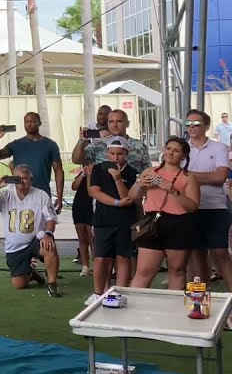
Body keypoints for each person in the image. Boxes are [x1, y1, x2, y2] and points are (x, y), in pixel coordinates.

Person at [128, 136, 201, 290]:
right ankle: (135, 308)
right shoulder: (149, 171)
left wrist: (174, 191)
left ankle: (173, 309)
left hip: (178, 224)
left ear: (183, 156)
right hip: (152, 222)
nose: (171, 153)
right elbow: (132, 197)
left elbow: (193, 206)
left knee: (177, 270)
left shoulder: (188, 177)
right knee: (144, 271)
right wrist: (140, 184)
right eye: (168, 149)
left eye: (176, 150)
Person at [0, 164, 63, 297]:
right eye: (18, 178)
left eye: (25, 178)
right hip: (15, 246)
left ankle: (52, 284)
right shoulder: (6, 192)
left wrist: (48, 234)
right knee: (19, 284)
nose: (22, 181)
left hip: (35, 239)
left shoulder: (41, 195)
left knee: (49, 246)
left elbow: (51, 218)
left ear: (31, 180)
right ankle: (31, 272)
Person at [179, 110, 232, 284]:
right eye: (188, 124)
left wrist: (187, 176)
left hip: (215, 208)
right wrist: (202, 177)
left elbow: (219, 177)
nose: (191, 127)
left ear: (207, 127)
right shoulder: (181, 149)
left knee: (220, 254)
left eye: (196, 123)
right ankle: (202, 302)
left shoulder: (219, 147)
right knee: (197, 256)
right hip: (189, 208)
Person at [85, 138, 139, 301]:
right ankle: (98, 293)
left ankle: (120, 291)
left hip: (125, 221)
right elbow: (94, 192)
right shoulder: (98, 169)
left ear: (126, 154)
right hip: (103, 220)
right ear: (107, 153)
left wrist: (117, 179)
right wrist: (117, 203)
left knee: (123, 257)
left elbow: (127, 197)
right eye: (112, 153)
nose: (115, 157)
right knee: (101, 257)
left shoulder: (131, 172)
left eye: (120, 154)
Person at [0, 112, 64, 207]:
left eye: (33, 121)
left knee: (43, 221)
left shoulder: (50, 145)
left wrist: (60, 197)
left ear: (39, 123)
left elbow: (59, 171)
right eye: (27, 122)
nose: (29, 124)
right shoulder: (16, 144)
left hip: (42, 193)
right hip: (19, 194)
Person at [72, 109, 150, 173]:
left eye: (119, 121)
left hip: (131, 189)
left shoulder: (139, 146)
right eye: (111, 122)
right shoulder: (98, 144)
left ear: (127, 124)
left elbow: (147, 171)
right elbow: (76, 160)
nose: (114, 125)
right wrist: (81, 141)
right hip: (102, 189)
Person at [69, 164, 94, 275]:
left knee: (92, 238)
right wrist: (83, 174)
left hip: (92, 206)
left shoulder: (98, 175)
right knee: (82, 238)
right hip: (79, 206)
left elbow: (91, 191)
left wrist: (89, 175)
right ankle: (85, 266)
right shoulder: (82, 174)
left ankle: (96, 265)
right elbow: (74, 186)